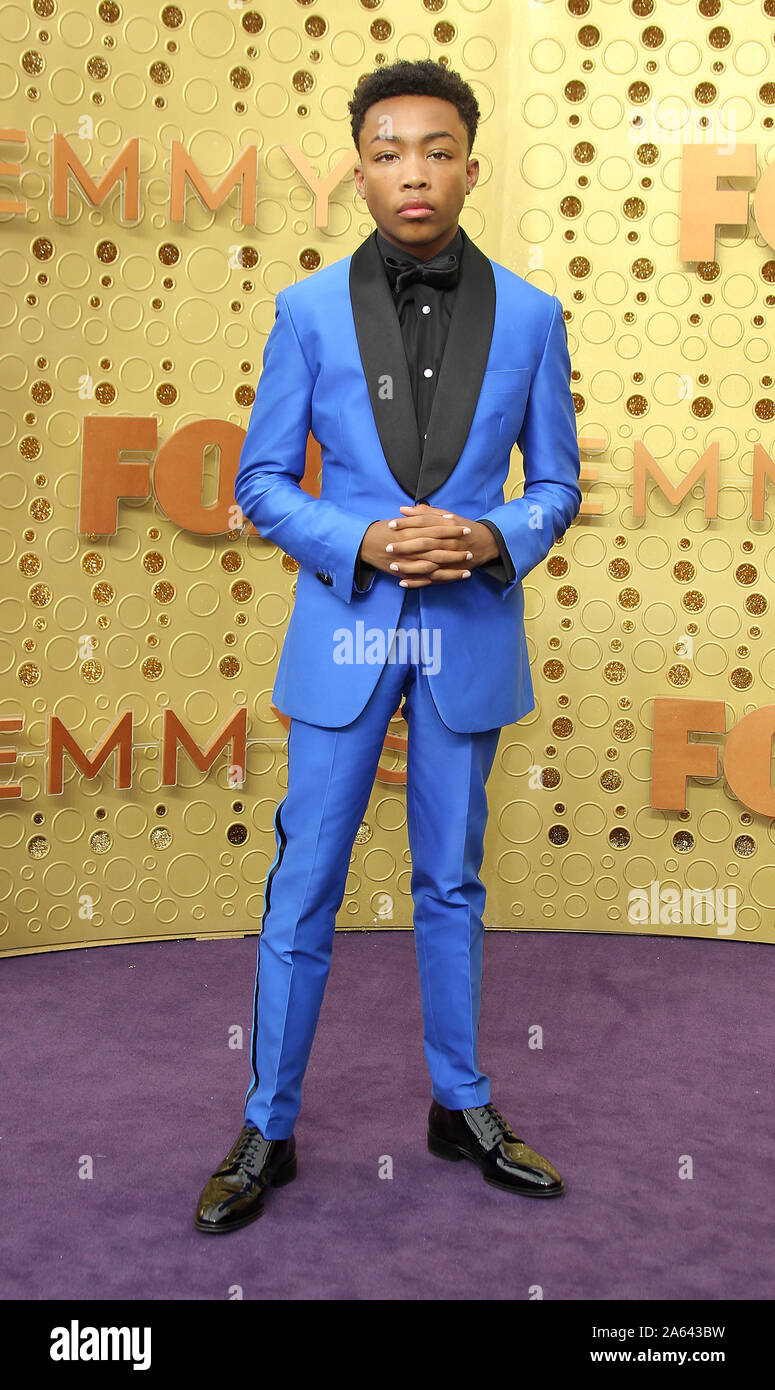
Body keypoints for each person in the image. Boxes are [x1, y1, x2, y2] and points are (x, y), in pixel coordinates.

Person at [194, 58, 582, 1233]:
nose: (411, 172)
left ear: (469, 160)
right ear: (356, 166)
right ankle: (267, 1124)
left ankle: (458, 1105)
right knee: (302, 884)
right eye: (386, 151)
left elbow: (555, 485)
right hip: (344, 637)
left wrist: (486, 533)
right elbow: (261, 482)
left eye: (434, 149)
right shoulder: (305, 312)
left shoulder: (533, 314)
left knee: (451, 882)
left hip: (467, 636)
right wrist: (364, 537)